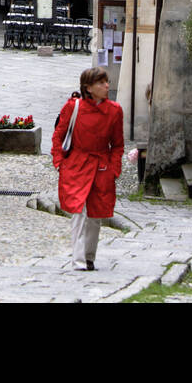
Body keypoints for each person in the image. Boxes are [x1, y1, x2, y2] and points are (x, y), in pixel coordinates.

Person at [51, 67, 124, 271]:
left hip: (101, 166)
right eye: (101, 83)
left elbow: (117, 144)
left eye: (106, 81)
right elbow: (59, 135)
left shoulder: (115, 110)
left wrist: (114, 169)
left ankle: (89, 256)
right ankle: (78, 259)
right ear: (88, 88)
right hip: (76, 164)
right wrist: (59, 162)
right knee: (79, 211)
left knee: (96, 213)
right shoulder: (73, 107)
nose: (107, 86)